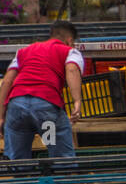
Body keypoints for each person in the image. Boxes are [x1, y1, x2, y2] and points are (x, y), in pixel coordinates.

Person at [0, 21, 84, 160]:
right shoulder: (69, 51)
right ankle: (60, 176)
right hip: (45, 111)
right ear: (70, 41)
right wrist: (77, 102)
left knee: (17, 160)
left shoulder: (24, 51)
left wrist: (1, 117)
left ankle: (21, 178)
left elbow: (7, 82)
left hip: (17, 111)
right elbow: (72, 69)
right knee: (58, 154)